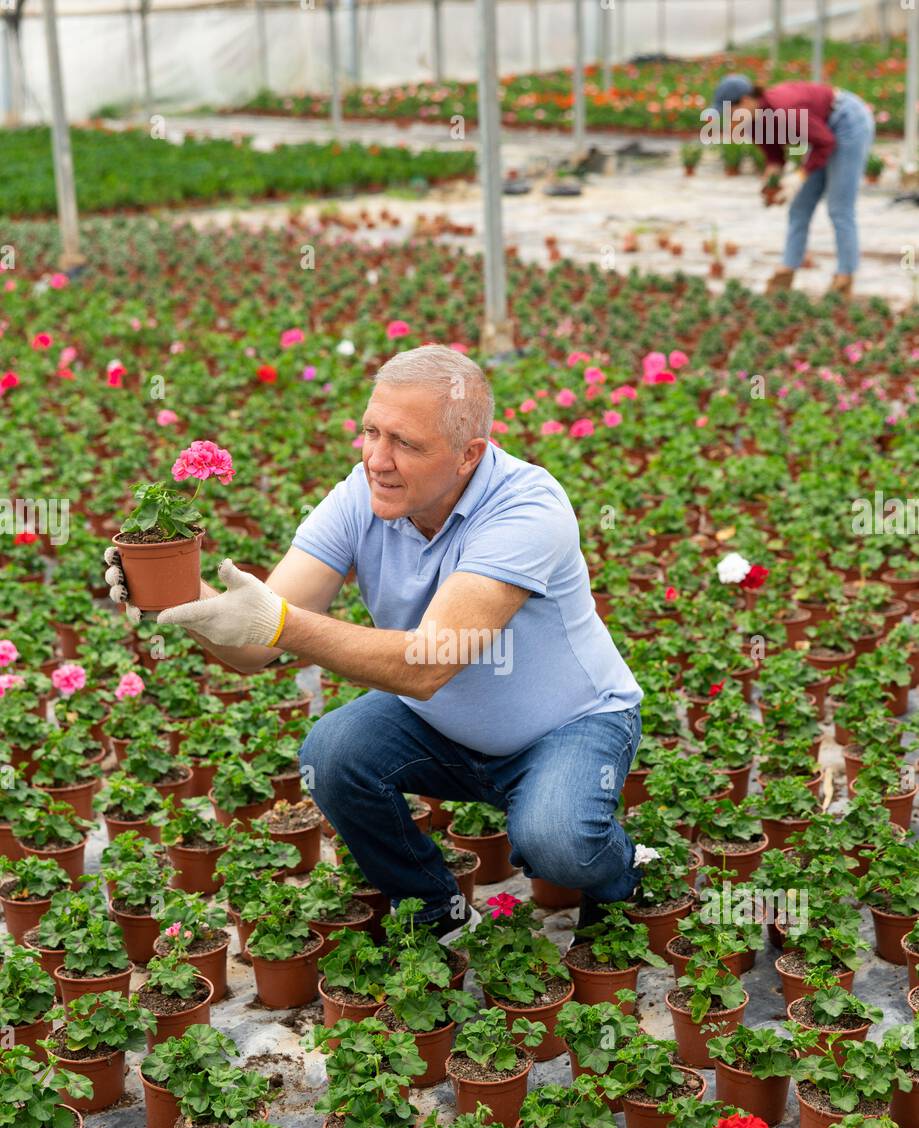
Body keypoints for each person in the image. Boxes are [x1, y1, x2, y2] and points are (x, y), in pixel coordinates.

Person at [104, 345, 645, 937]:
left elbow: (427, 665)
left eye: (405, 444)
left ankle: (621, 875)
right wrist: (184, 595)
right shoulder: (359, 496)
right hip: (444, 725)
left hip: (569, 726)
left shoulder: (527, 508)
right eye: (370, 432)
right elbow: (255, 648)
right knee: (333, 754)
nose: (377, 460)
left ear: (469, 454)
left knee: (560, 841)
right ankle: (436, 906)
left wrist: (276, 623)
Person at [711, 73, 876, 297]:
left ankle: (845, 276)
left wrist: (799, 176)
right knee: (799, 207)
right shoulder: (751, 122)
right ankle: (787, 270)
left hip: (847, 121)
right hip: (822, 133)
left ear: (747, 101)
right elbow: (775, 157)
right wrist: (772, 182)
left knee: (839, 208)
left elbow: (826, 143)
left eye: (731, 112)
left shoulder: (784, 109)